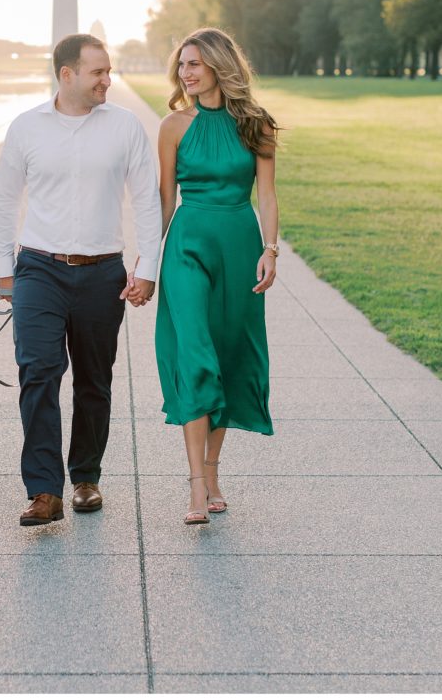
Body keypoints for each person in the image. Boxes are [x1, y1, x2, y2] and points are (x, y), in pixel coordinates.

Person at [0, 33, 162, 526]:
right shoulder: (26, 128)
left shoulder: (125, 127)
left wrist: (146, 269)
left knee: (94, 379)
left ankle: (86, 476)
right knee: (39, 372)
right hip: (39, 269)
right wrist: (6, 273)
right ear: (67, 75)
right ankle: (44, 490)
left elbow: (147, 202)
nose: (108, 80)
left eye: (109, 71)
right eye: (98, 73)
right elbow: (4, 200)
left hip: (102, 271)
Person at [153, 27, 279, 525]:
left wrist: (271, 249)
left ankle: (213, 471)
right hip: (187, 245)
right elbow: (164, 201)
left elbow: (266, 195)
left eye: (195, 64)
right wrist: (145, 263)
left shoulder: (256, 124)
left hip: (239, 245)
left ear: (219, 66)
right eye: (182, 64)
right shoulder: (173, 127)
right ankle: (196, 488)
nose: (185, 72)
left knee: (225, 358)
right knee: (196, 355)